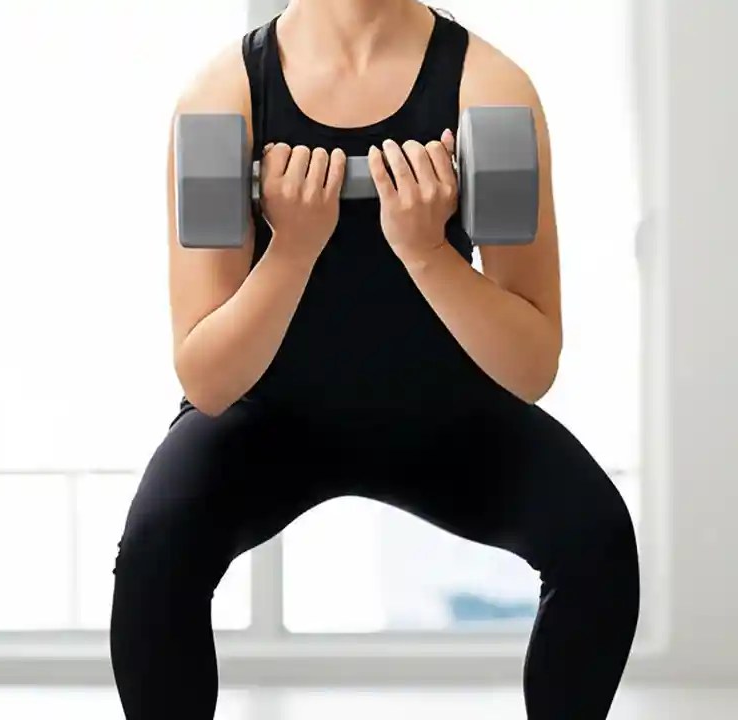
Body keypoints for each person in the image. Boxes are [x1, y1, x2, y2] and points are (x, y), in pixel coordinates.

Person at [110, 0, 640, 717]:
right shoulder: (224, 95)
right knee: (154, 556)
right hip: (266, 420)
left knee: (596, 543)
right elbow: (207, 381)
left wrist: (425, 250)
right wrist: (292, 248)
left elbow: (531, 366)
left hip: (447, 416)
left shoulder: (490, 87)